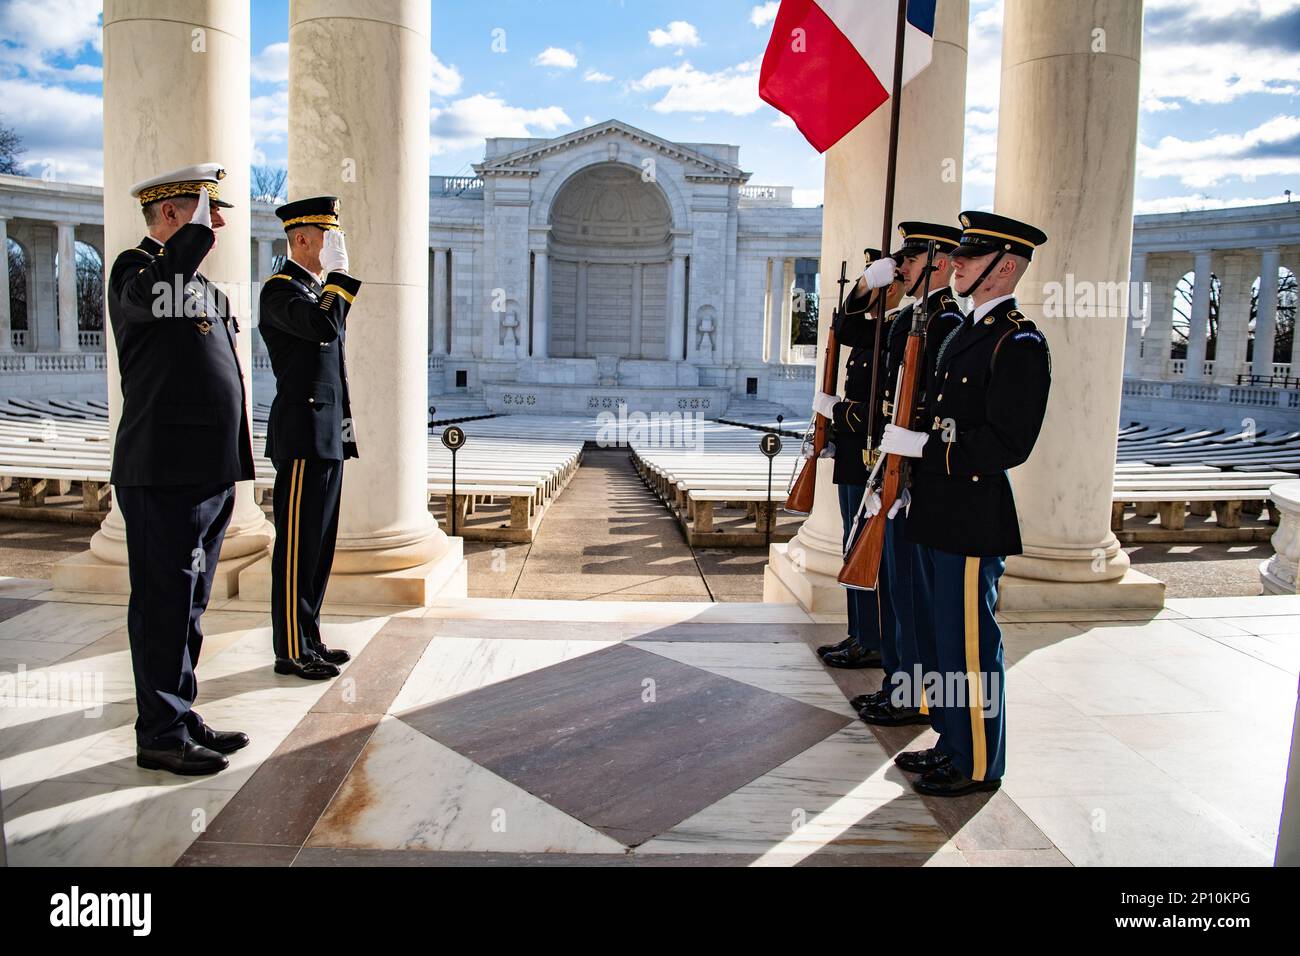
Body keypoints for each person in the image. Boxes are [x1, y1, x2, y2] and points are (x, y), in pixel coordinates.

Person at [879, 211, 1052, 797]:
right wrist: (907, 470)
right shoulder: (961, 333)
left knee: (971, 648)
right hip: (934, 510)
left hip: (973, 517)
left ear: (1004, 267)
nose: (955, 263)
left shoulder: (1019, 341)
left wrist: (924, 447)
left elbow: (1009, 443)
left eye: (970, 257)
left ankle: (979, 762)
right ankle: (953, 741)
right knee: (939, 641)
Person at [110, 163, 254, 776]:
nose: (218, 223)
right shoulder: (135, 273)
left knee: (190, 604)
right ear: (173, 215)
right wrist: (187, 238)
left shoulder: (202, 290)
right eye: (206, 212)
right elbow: (162, 283)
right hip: (162, 473)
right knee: (164, 603)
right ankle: (160, 734)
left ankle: (180, 712)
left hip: (209, 472)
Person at [854, 222, 964, 728]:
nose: (901, 268)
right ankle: (899, 687)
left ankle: (914, 696)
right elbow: (855, 330)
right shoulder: (913, 316)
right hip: (891, 469)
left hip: (913, 480)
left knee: (915, 602)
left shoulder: (943, 322)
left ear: (936, 263)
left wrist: (910, 472)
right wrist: (864, 286)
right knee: (898, 593)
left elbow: (930, 409)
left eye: (910, 261)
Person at [258, 197, 363, 679]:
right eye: (329, 237)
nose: (336, 246)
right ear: (302, 239)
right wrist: (339, 279)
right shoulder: (281, 291)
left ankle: (310, 637)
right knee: (297, 546)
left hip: (325, 431)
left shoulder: (312, 290)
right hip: (302, 433)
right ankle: (290, 650)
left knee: (318, 544)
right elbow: (324, 326)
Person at [811, 248, 899, 671]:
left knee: (868, 545)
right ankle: (861, 632)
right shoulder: (876, 329)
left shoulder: (900, 330)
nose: (873, 296)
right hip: (853, 451)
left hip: (873, 456)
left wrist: (838, 413)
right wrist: (864, 286)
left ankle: (874, 638)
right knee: (852, 543)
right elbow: (843, 326)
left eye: (881, 285)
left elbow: (881, 406)